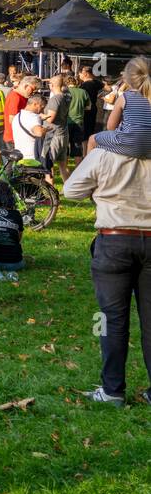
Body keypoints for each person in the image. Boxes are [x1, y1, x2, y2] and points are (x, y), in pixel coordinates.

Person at [63, 123, 151, 406]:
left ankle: (113, 389)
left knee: (111, 320)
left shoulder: (103, 154)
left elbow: (71, 190)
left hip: (114, 240)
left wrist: (100, 192)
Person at [89, 56, 151, 159]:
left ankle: (88, 172)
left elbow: (111, 127)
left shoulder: (125, 97)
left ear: (129, 78)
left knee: (92, 140)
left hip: (129, 145)